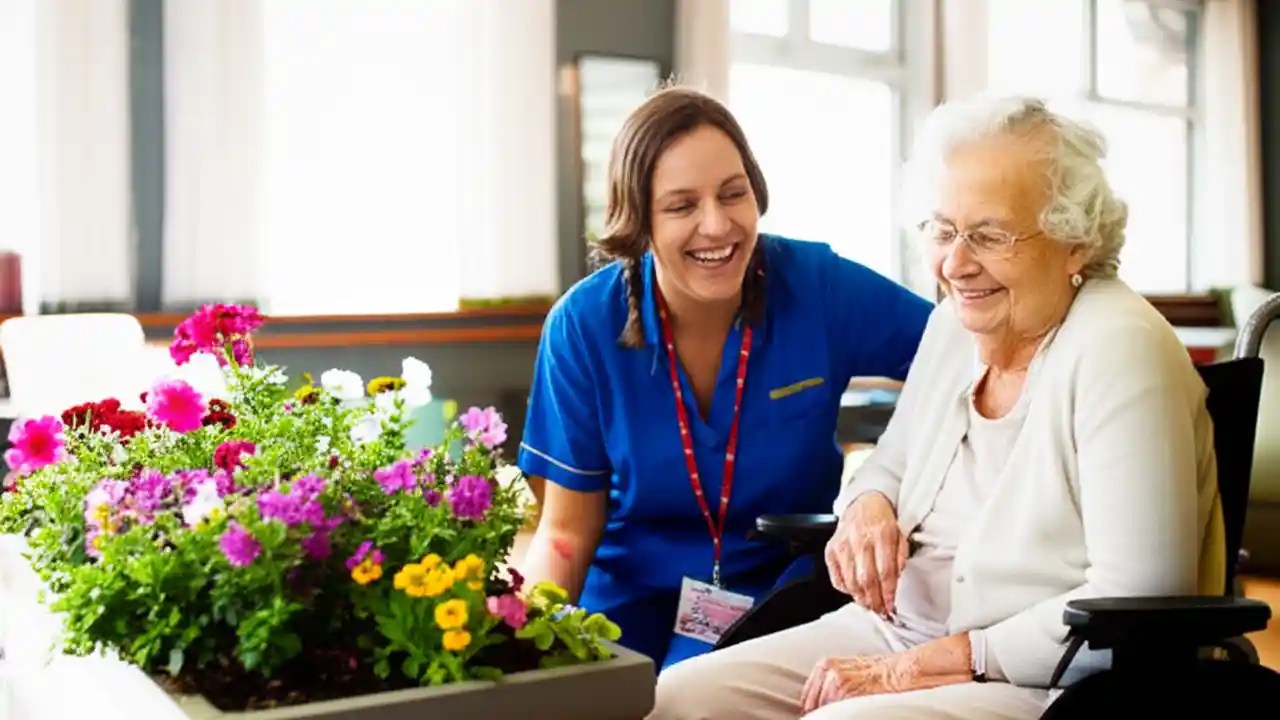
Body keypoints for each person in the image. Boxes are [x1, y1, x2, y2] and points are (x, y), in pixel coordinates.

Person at [648, 95, 1225, 719]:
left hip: (1038, 678)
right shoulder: (956, 326)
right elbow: (891, 463)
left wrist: (937, 663)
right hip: (894, 629)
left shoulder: (1120, 347)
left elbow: (1141, 596)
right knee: (677, 700)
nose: (955, 264)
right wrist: (869, 504)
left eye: (990, 236)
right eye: (943, 231)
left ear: (1074, 241)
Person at [515, 87, 933, 672]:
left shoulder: (818, 288)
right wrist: (521, 656)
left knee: (686, 693)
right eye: (681, 206)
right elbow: (565, 533)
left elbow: (960, 350)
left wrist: (882, 486)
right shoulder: (583, 326)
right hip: (626, 599)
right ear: (639, 219)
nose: (716, 225)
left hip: (774, 591)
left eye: (733, 194)